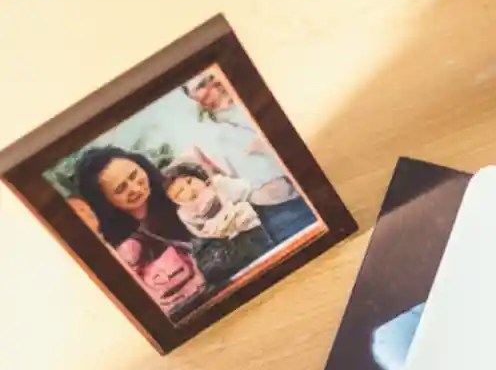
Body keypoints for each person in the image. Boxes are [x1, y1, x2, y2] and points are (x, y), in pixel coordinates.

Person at [183, 73, 319, 241]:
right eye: (194, 91)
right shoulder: (208, 132)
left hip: (305, 186)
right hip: (275, 210)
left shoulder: (250, 101)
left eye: (202, 85)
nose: (201, 94)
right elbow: (219, 178)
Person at [76, 147, 206, 317]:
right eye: (121, 189)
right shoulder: (119, 247)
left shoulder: (176, 189)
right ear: (103, 201)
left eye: (134, 175)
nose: (135, 189)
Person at [164, 162, 273, 276]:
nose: (189, 190)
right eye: (179, 192)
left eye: (190, 181)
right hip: (227, 247)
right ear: (175, 201)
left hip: (251, 228)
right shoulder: (185, 214)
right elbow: (201, 233)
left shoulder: (218, 184)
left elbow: (247, 190)